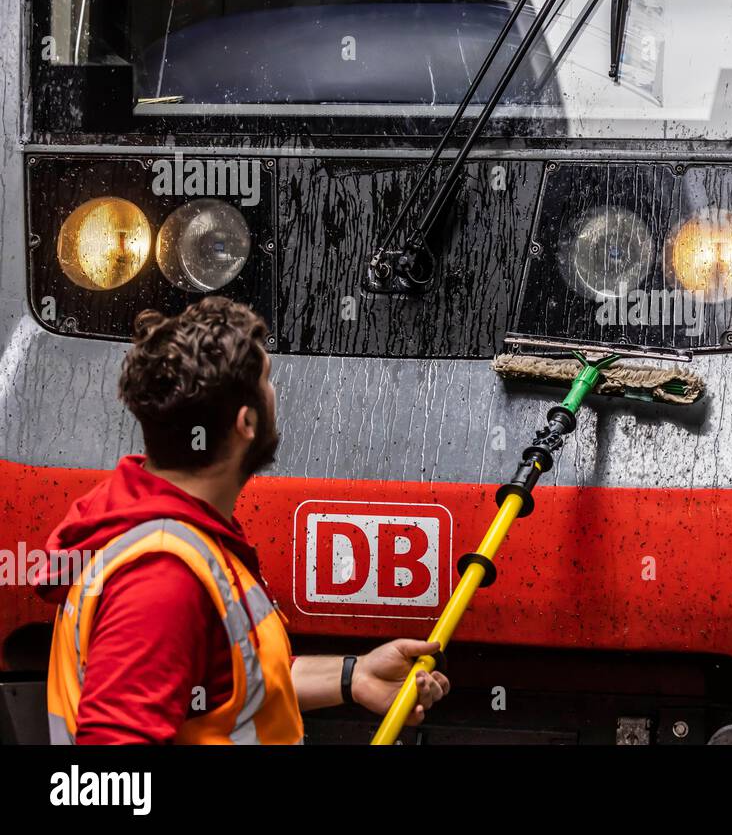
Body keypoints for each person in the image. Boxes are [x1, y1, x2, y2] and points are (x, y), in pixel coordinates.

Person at [39, 296, 449, 743]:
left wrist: (354, 676)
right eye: (268, 381)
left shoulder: (159, 531)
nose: (276, 394)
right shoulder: (162, 576)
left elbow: (227, 686)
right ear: (246, 422)